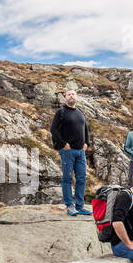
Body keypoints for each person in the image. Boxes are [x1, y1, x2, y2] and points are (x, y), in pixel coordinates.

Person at [51, 88, 91, 217]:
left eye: (73, 94)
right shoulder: (61, 112)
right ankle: (70, 206)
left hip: (81, 152)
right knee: (67, 178)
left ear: (76, 96)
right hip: (68, 152)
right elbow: (54, 130)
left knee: (81, 178)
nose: (71, 96)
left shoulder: (80, 112)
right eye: (69, 94)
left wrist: (87, 143)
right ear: (65, 98)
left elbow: (85, 128)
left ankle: (79, 206)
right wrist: (63, 144)